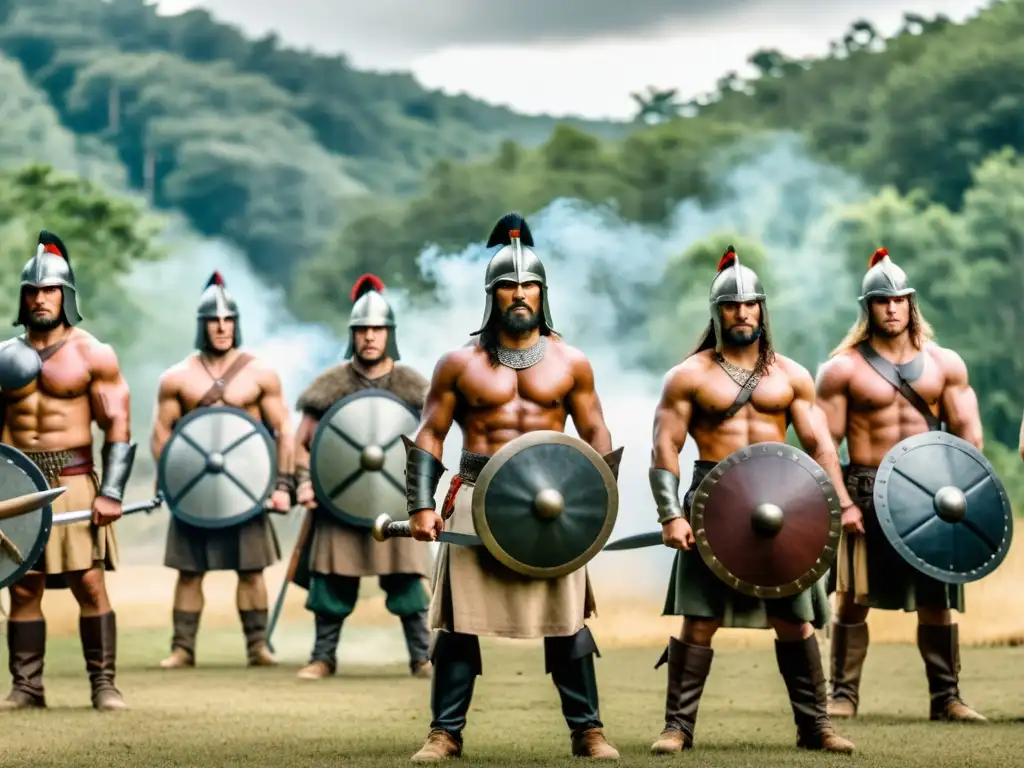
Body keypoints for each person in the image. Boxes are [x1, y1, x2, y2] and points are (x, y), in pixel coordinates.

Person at [405, 213, 620, 761]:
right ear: (491, 293)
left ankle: (588, 731)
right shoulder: (458, 364)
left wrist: (595, 506)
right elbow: (429, 433)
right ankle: (445, 732)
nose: (518, 294)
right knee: (457, 626)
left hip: (554, 503)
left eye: (528, 285)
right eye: (507, 285)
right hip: (477, 494)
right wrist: (421, 505)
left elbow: (596, 434)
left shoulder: (572, 363)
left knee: (567, 623)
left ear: (542, 293)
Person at [648, 246, 855, 755]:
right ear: (716, 313)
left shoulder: (791, 375)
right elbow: (665, 447)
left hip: (781, 506)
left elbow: (822, 446)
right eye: (731, 305)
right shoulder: (689, 376)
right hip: (712, 502)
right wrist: (670, 513)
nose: (742, 312)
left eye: (750, 304)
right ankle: (678, 728)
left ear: (762, 309)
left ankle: (816, 728)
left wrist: (840, 506)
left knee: (794, 620)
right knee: (700, 619)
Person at [816, 247, 986, 723]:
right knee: (852, 598)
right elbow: (824, 444)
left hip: (933, 497)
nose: (891, 308)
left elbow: (970, 437)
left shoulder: (945, 363)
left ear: (912, 303)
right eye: (881, 301)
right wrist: (844, 503)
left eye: (899, 300)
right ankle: (843, 696)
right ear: (866, 308)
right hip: (866, 491)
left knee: (936, 599)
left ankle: (946, 698)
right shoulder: (841, 368)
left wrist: (965, 494)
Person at [0, 231, 135, 711]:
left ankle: (104, 686)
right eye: (33, 291)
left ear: (66, 295)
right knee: (24, 585)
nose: (40, 299)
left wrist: (112, 491)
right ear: (22, 297)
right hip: (17, 485)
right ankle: (27, 687)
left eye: (50, 290)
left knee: (89, 582)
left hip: (73, 481)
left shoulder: (94, 354)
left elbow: (118, 424)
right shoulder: (3, 357)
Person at [288, 274, 433, 680]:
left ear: (390, 334)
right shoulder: (330, 386)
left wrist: (426, 495)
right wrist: (304, 481)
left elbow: (430, 445)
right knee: (330, 585)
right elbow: (302, 444)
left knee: (407, 582)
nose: (370, 337)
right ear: (352, 334)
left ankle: (422, 657)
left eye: (377, 329)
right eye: (362, 330)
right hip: (339, 501)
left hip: (394, 502)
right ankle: (322, 657)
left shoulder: (415, 387)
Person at [150, 272, 294, 669]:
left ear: (237, 323)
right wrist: (171, 485)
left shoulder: (260, 374)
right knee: (189, 572)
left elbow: (283, 433)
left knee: (251, 570)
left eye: (228, 319)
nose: (222, 326)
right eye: (214, 320)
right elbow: (161, 435)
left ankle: (257, 647)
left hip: (247, 489)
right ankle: (182, 648)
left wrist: (282, 484)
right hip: (195, 489)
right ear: (202, 325)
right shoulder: (176, 377)